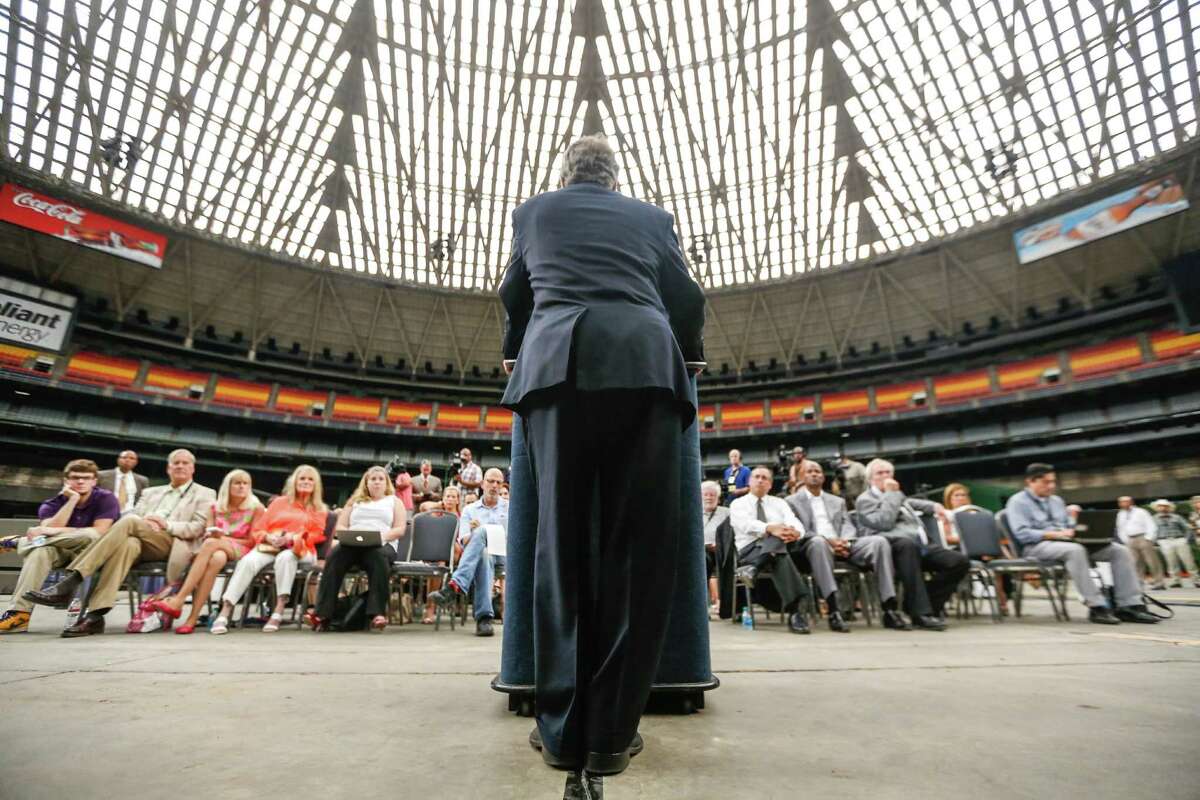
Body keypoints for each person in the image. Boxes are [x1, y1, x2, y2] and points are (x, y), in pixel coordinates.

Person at [498, 134, 705, 784]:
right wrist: (689, 355)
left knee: (559, 549)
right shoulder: (652, 218)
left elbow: (515, 295)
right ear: (614, 177)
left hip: (556, 368)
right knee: (637, 553)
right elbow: (686, 298)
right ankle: (614, 736)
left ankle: (560, 734)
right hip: (645, 367)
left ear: (566, 171)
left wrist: (515, 351)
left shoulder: (534, 212)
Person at [25, 450, 215, 637]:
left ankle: (72, 580)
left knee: (129, 522)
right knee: (128, 544)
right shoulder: (150, 492)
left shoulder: (205, 493)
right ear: (168, 468)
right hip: (141, 539)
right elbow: (135, 514)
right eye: (176, 463)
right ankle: (95, 616)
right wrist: (146, 522)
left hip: (174, 543)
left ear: (193, 468)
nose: (180, 466)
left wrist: (165, 524)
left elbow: (197, 528)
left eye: (185, 463)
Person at [1004, 463, 1158, 624]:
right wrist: (1057, 534)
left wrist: (1081, 531)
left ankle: (1130, 605)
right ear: (1030, 481)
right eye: (1046, 482)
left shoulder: (1057, 501)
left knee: (1119, 551)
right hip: (1036, 547)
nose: (1051, 486)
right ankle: (1097, 606)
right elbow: (1022, 534)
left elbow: (1069, 526)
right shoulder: (1017, 502)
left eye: (1053, 481)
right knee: (1075, 550)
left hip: (1068, 543)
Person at [0, 459, 120, 634]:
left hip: (93, 554)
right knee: (40, 551)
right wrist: (72, 501)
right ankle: (19, 614)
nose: (80, 482)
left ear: (94, 481)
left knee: (90, 535)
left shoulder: (106, 498)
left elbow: (100, 532)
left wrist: (51, 532)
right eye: (75, 478)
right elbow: (46, 531)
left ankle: (19, 542)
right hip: (61, 553)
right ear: (66, 481)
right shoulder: (52, 504)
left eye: (86, 478)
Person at [786, 460, 908, 630]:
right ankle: (834, 610)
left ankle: (889, 608)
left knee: (879, 542)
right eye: (810, 471)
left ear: (823, 477)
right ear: (801, 477)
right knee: (819, 543)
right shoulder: (791, 501)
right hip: (814, 546)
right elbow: (798, 530)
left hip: (843, 545)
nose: (814, 474)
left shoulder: (837, 501)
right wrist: (829, 541)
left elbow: (847, 525)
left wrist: (846, 542)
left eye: (818, 471)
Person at [854, 459, 968, 630]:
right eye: (880, 473)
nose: (886, 476)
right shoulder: (865, 500)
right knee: (907, 546)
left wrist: (935, 506)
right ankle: (921, 614)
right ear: (870, 479)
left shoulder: (898, 495)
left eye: (888, 473)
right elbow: (884, 522)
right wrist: (891, 494)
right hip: (891, 547)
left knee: (958, 562)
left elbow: (910, 503)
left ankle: (921, 603)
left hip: (920, 544)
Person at [149, 470, 263, 633]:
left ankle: (179, 599)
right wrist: (214, 536)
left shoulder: (256, 508)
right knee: (216, 558)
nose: (241, 486)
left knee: (211, 544)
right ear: (228, 486)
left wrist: (221, 539)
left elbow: (252, 541)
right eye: (237, 483)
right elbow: (207, 534)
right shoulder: (214, 508)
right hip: (217, 549)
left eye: (245, 483)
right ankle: (192, 619)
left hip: (242, 548)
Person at [217, 465, 328, 633]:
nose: (305, 482)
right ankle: (225, 610)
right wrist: (269, 537)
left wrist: (294, 536)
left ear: (316, 485)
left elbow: (317, 535)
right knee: (248, 561)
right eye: (302, 478)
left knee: (286, 558)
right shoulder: (279, 502)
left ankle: (279, 609)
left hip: (302, 549)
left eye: (310, 479)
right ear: (294, 481)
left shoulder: (319, 508)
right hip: (270, 545)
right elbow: (258, 530)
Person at [306, 466, 407, 632]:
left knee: (378, 557)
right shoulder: (354, 501)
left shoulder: (395, 502)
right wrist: (349, 535)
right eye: (373, 479)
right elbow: (341, 526)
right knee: (335, 555)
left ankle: (377, 614)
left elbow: (400, 529)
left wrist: (381, 537)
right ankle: (322, 613)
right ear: (366, 482)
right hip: (353, 544)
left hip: (382, 544)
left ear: (386, 483)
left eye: (381, 479)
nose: (376, 482)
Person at [729, 466, 815, 635]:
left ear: (770, 484)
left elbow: (794, 522)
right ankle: (796, 611)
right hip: (750, 549)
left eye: (765, 478)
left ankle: (754, 569)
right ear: (749, 481)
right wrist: (771, 528)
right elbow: (746, 525)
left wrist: (797, 532)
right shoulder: (737, 503)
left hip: (779, 547)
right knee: (777, 544)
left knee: (778, 545)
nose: (760, 480)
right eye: (756, 477)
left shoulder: (780, 503)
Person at [429, 467, 507, 636]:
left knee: (481, 531)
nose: (494, 485)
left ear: (502, 486)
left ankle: (455, 584)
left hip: (504, 556)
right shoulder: (469, 510)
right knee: (484, 555)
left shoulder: (511, 508)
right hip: (481, 555)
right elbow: (464, 540)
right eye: (490, 481)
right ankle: (484, 619)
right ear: (482, 483)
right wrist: (481, 536)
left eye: (498, 482)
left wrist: (482, 531)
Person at [944, 482, 1013, 614]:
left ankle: (1002, 597)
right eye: (956, 495)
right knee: (989, 555)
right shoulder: (946, 515)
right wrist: (970, 540)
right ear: (949, 499)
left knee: (994, 556)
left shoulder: (979, 513)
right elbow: (947, 538)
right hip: (958, 549)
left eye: (963, 495)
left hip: (981, 548)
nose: (961, 498)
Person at [420, 485, 463, 624]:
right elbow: (423, 507)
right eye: (447, 496)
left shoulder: (462, 515)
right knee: (438, 563)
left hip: (455, 552)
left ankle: (431, 606)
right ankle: (430, 606)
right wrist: (439, 504)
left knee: (444, 554)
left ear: (458, 500)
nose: (450, 499)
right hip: (438, 553)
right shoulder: (438, 512)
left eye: (453, 497)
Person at [1116, 496, 1165, 590]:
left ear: (1131, 502)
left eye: (1126, 502)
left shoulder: (1140, 511)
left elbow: (1150, 524)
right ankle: (1139, 582)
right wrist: (1125, 540)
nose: (1123, 504)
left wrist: (1149, 538)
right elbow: (1120, 528)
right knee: (1135, 562)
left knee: (1151, 560)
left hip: (1143, 537)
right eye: (1121, 502)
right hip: (1130, 539)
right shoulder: (1120, 514)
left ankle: (1159, 582)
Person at [1150, 499, 1199, 588]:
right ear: (1157, 508)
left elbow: (1187, 528)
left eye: (1165, 506)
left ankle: (1196, 580)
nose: (1162, 508)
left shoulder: (1176, 517)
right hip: (1164, 541)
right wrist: (1157, 542)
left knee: (1188, 560)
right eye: (1160, 506)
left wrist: (1186, 539)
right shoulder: (1154, 518)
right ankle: (1175, 581)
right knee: (1171, 562)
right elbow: (1152, 531)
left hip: (1179, 539)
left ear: (1169, 507)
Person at [700, 481, 728, 611]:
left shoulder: (727, 513)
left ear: (718, 497)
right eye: (705, 494)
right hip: (701, 552)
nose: (709, 497)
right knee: (702, 561)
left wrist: (721, 544)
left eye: (712, 495)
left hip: (723, 550)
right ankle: (703, 607)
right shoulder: (692, 513)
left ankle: (724, 605)